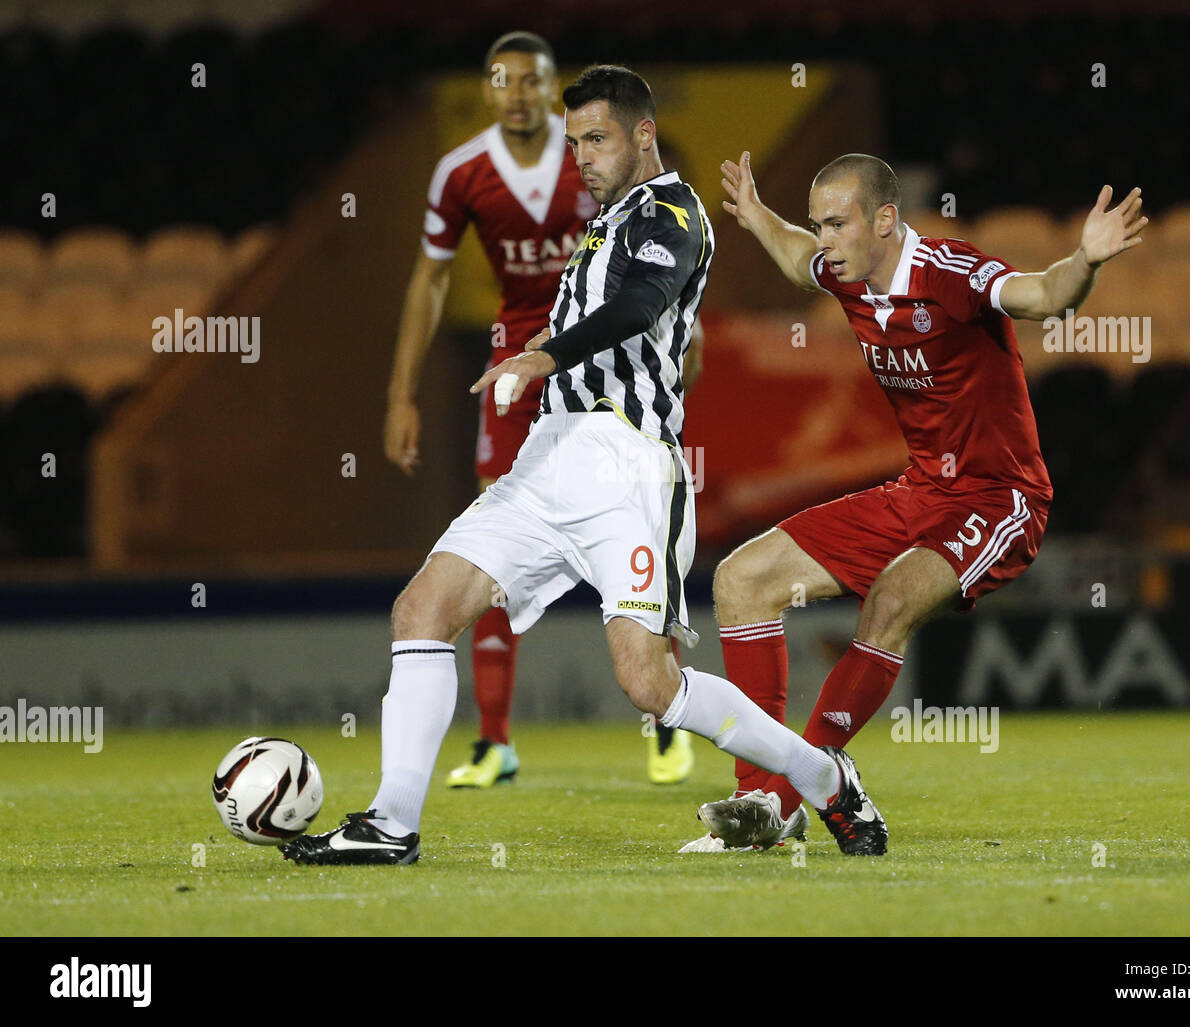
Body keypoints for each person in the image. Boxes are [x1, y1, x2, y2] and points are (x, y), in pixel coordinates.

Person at [281, 66, 878, 866]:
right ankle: (392, 824)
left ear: (642, 134)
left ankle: (823, 778)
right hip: (548, 458)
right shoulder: (603, 223)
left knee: (649, 683)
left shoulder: (673, 210)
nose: (582, 157)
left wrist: (540, 354)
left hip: (626, 464)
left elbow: (642, 304)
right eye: (573, 144)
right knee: (421, 609)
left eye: (596, 139)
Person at [682, 151, 1145, 854]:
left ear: (887, 220)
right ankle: (762, 803)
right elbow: (793, 255)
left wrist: (1085, 259)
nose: (825, 240)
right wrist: (758, 215)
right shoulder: (847, 273)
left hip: (1000, 498)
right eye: (820, 225)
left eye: (837, 224)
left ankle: (787, 797)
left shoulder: (950, 276)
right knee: (740, 579)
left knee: (891, 600)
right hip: (920, 490)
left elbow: (1045, 296)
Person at [384, 32, 692, 788]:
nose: (518, 93)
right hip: (517, 369)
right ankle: (494, 738)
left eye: (533, 80)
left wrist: (685, 339)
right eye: (503, 80)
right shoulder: (462, 171)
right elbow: (428, 279)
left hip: (617, 372)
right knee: (488, 541)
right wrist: (401, 392)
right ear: (487, 90)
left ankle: (664, 711)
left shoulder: (599, 152)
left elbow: (658, 271)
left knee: (646, 530)